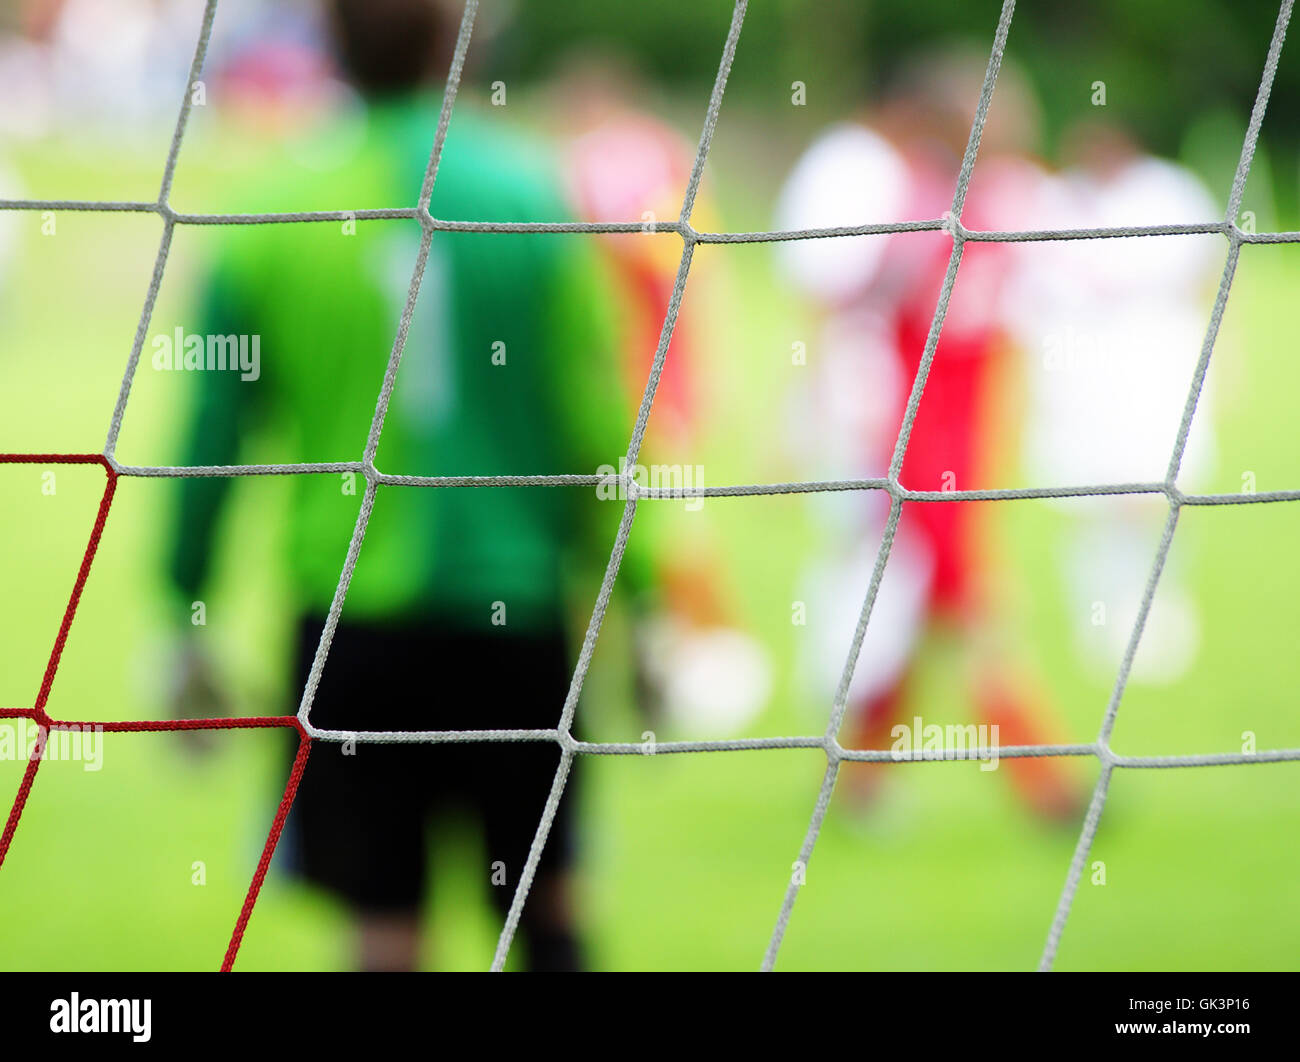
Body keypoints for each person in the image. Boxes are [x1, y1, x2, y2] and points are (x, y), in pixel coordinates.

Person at [165, 0, 630, 971]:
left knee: (383, 927)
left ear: (327, 42)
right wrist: (652, 590)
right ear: (459, 45)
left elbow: (210, 436)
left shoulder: (269, 208)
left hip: (348, 623)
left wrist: (184, 608)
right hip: (512, 615)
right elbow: (596, 420)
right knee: (544, 903)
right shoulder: (531, 192)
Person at [776, 50, 1081, 821]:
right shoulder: (919, 205)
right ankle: (1046, 785)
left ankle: (862, 781)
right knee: (970, 604)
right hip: (921, 440)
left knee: (930, 610)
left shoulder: (1004, 199)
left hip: (971, 437)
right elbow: (853, 305)